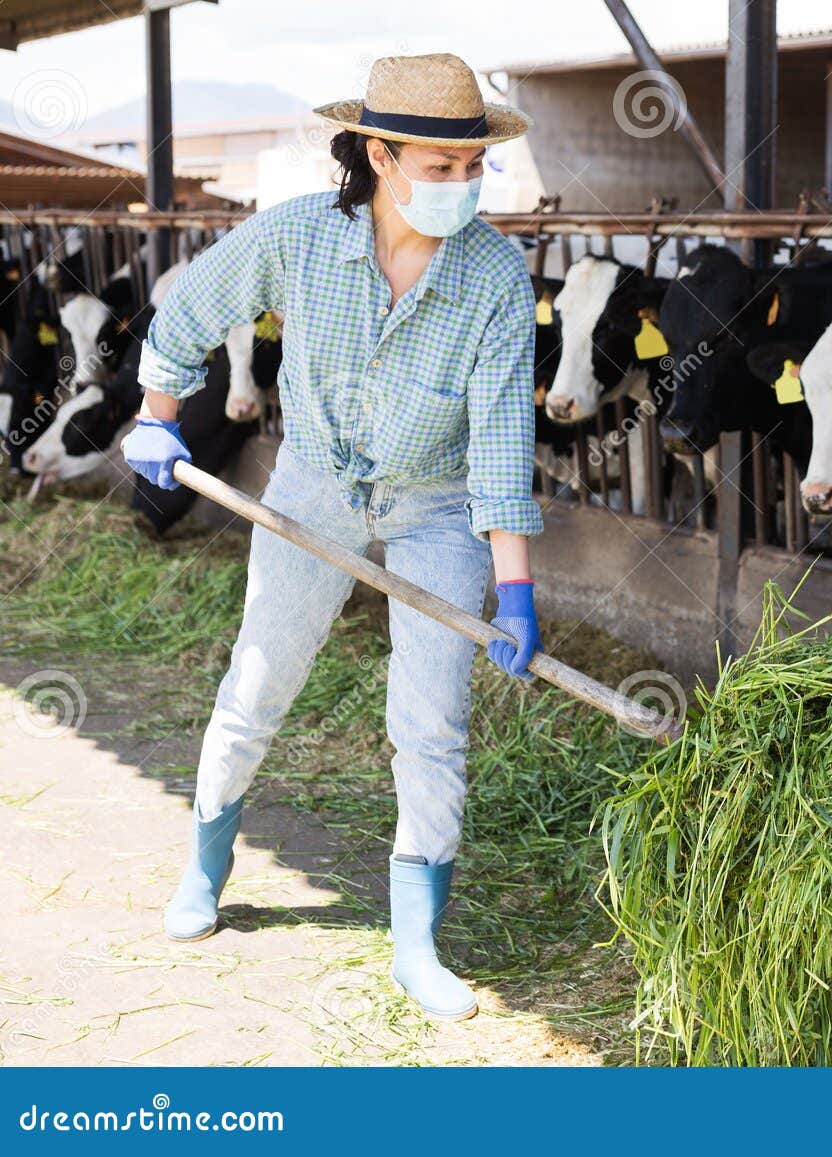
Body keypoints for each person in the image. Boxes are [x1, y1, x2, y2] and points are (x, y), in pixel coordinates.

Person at [122, 53, 543, 1021]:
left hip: (435, 505)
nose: (462, 186)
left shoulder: (493, 275)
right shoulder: (300, 238)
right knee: (260, 679)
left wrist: (512, 590)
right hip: (312, 488)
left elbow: (500, 443)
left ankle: (415, 942)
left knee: (432, 721)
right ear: (379, 153)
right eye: (439, 167)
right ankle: (204, 868)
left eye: (473, 166)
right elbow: (187, 308)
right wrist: (156, 412)